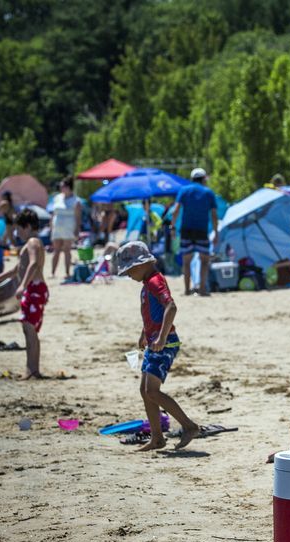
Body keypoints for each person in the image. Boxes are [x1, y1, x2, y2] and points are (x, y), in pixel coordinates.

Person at [116, 241, 200, 452]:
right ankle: (157, 437)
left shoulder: (154, 281)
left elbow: (171, 307)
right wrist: (144, 333)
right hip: (154, 343)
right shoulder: (148, 283)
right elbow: (152, 314)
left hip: (164, 343)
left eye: (129, 270)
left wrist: (161, 337)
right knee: (145, 391)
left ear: (141, 264)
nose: (128, 275)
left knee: (152, 391)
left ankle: (189, 426)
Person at [12, 209, 48, 379]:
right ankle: (32, 368)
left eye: (18, 229)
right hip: (33, 288)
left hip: (34, 287)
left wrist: (22, 286)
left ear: (26, 226)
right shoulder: (32, 243)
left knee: (29, 330)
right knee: (29, 330)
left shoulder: (32, 242)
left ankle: (32, 369)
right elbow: (18, 268)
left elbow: (33, 265)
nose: (17, 233)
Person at [172, 167, 219, 296]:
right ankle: (202, 289)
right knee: (204, 260)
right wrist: (216, 232)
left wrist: (172, 227)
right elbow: (214, 215)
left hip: (186, 230)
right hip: (202, 231)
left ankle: (187, 290)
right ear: (203, 179)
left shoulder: (184, 191)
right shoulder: (208, 193)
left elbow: (176, 210)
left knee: (186, 261)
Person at [50, 177, 81, 278]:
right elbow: (53, 214)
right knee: (56, 250)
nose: (61, 188)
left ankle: (67, 272)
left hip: (69, 227)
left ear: (69, 187)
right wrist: (51, 227)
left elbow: (78, 217)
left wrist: (77, 230)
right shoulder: (57, 197)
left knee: (67, 250)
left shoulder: (76, 200)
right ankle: (52, 272)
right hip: (57, 226)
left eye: (63, 186)